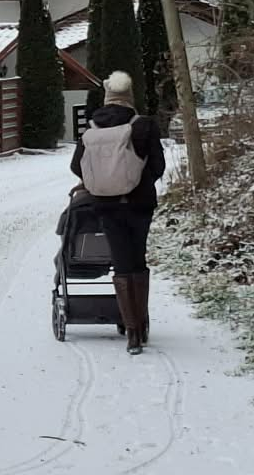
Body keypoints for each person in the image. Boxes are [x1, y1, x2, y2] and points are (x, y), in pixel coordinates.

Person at [70, 70, 165, 354]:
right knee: (139, 259)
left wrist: (100, 183)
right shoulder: (144, 125)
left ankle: (132, 333)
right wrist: (141, 181)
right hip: (140, 204)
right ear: (130, 97)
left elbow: (77, 166)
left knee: (121, 263)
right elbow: (158, 165)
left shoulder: (93, 128)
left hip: (106, 205)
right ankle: (141, 325)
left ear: (108, 96)